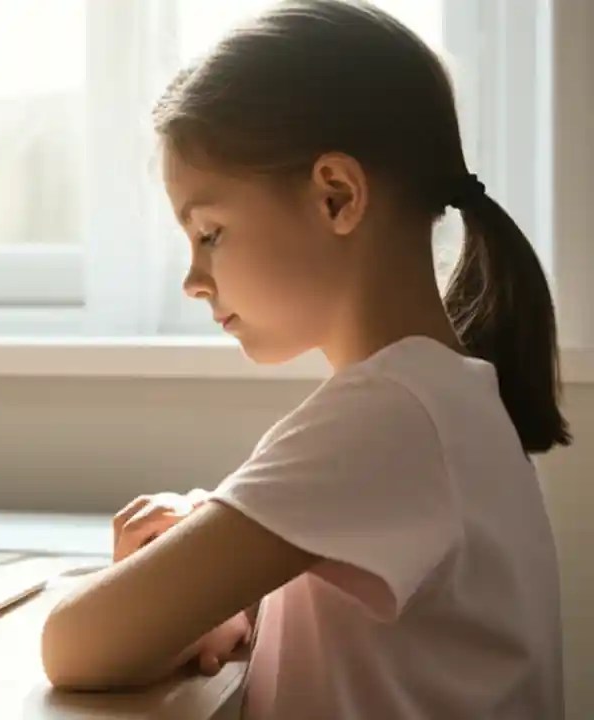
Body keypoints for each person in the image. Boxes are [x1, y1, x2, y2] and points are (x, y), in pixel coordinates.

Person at [39, 2, 568, 717]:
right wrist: (222, 588)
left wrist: (182, 579)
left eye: (210, 232)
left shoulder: (387, 416)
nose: (192, 280)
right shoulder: (450, 397)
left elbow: (74, 646)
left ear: (336, 196)